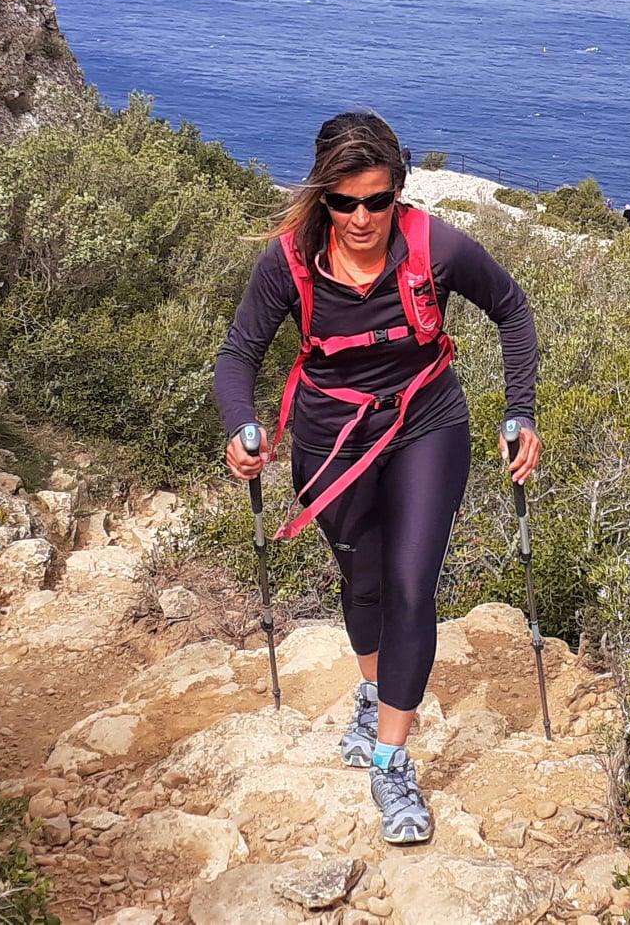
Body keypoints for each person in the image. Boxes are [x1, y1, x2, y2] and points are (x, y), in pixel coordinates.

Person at [213, 112, 541, 845]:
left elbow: (512, 311)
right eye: (343, 201)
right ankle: (372, 690)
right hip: (331, 440)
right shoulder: (288, 262)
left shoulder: (436, 246)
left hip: (427, 423)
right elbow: (238, 355)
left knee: (408, 587)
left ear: (398, 190)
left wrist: (520, 412)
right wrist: (241, 424)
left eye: (377, 200)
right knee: (360, 583)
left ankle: (390, 758)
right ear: (321, 195)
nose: (361, 218)